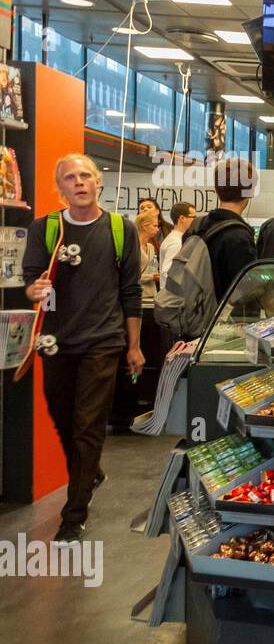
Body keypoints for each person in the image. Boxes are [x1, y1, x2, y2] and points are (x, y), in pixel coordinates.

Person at [22, 153, 143, 543]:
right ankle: (90, 471)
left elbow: (131, 292)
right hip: (55, 343)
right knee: (63, 417)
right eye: (70, 177)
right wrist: (34, 289)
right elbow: (30, 280)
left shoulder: (121, 230)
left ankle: (73, 516)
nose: (79, 182)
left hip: (103, 342)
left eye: (86, 175)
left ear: (98, 182)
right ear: (60, 188)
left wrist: (134, 346)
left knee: (88, 426)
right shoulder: (46, 228)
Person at [191, 157, 258, 300]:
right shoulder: (239, 236)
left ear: (216, 189)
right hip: (220, 319)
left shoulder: (196, 226)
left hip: (191, 314)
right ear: (250, 192)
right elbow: (244, 293)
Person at [159, 201, 196, 288]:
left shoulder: (176, 239)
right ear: (182, 218)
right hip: (174, 297)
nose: (195, 220)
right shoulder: (176, 242)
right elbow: (167, 271)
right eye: (193, 217)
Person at [135, 208, 162, 301]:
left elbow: (153, 270)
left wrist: (158, 275)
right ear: (145, 226)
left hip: (152, 296)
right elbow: (129, 277)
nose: (157, 229)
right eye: (154, 226)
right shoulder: (131, 247)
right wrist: (151, 277)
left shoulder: (151, 247)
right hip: (137, 296)